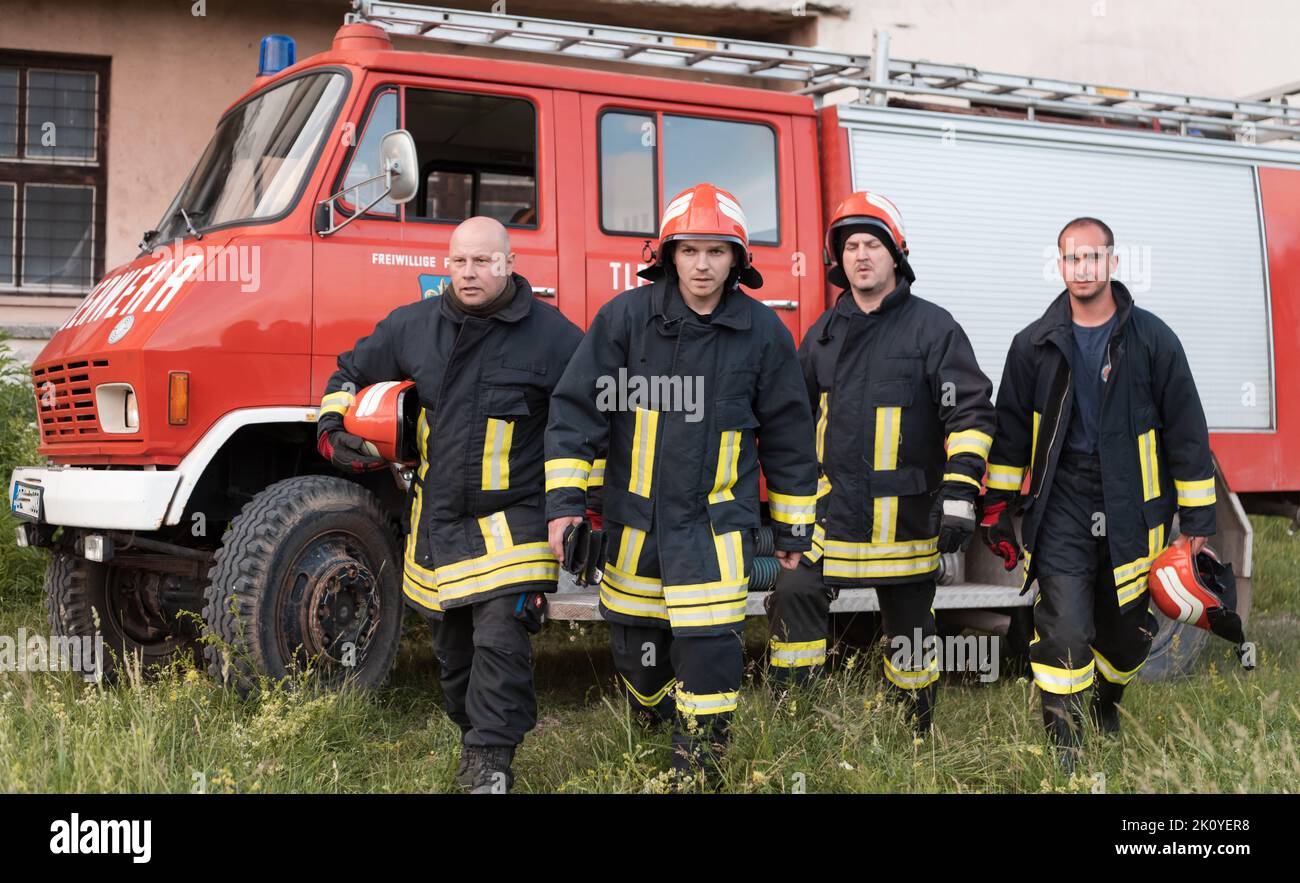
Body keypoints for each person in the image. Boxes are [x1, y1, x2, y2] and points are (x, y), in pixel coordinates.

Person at [544, 183, 818, 785]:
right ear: (668, 255)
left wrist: (795, 526)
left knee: (711, 653)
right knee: (637, 660)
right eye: (690, 250)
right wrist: (565, 506)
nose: (702, 265)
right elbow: (576, 414)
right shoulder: (625, 319)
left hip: (717, 529)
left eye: (716, 252)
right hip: (636, 526)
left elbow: (790, 437)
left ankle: (700, 768)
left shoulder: (764, 333)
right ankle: (658, 717)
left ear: (737, 261)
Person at [317, 216, 583, 792]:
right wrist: (334, 424)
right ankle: (474, 733)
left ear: (510, 264)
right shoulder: (413, 326)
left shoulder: (554, 336)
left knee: (499, 636)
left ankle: (491, 761)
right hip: (437, 522)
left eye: (484, 261)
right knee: (453, 651)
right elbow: (350, 371)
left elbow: (589, 415)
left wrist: (576, 506)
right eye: (460, 261)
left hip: (516, 519)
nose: (470, 273)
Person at [981, 216, 1217, 770]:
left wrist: (1198, 521)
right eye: (1071, 258)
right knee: (1063, 625)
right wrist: (996, 511)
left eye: (1092, 257)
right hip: (1062, 499)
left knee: (1129, 633)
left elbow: (1186, 431)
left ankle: (1107, 703)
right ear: (1060, 266)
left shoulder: (1153, 341)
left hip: (1132, 504)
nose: (1081, 268)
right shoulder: (1033, 344)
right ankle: (1065, 749)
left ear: (1112, 263)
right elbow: (1011, 434)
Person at [766, 191, 995, 735]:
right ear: (838, 260)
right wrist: (787, 516)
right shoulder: (821, 336)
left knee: (912, 638)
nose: (860, 255)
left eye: (872, 244)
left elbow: (970, 412)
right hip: (831, 524)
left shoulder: (933, 329)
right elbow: (790, 430)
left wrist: (960, 493)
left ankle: (912, 737)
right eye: (850, 246)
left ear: (897, 255)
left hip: (908, 525)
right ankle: (796, 729)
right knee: (793, 596)